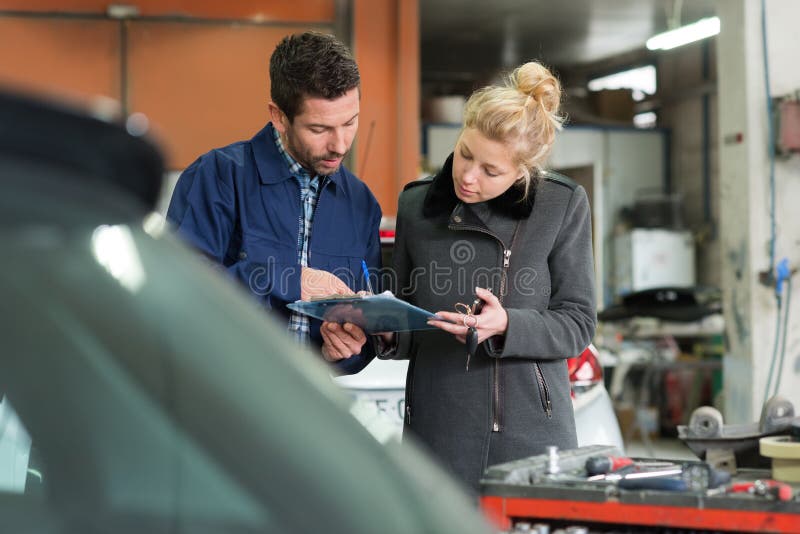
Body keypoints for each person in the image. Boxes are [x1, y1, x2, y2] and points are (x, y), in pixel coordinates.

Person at [322, 61, 596, 492]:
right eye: (466, 153)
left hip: (530, 435)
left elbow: (578, 322)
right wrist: (385, 330)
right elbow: (411, 320)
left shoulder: (561, 205)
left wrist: (507, 324)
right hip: (436, 430)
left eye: (491, 171)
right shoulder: (417, 206)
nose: (468, 177)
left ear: (524, 171)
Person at [166, 31, 382, 375]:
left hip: (308, 407)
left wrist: (346, 351)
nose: (340, 145)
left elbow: (366, 322)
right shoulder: (218, 176)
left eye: (350, 122)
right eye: (319, 128)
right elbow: (176, 291)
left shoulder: (362, 204)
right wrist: (285, 278)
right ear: (279, 116)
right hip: (220, 397)